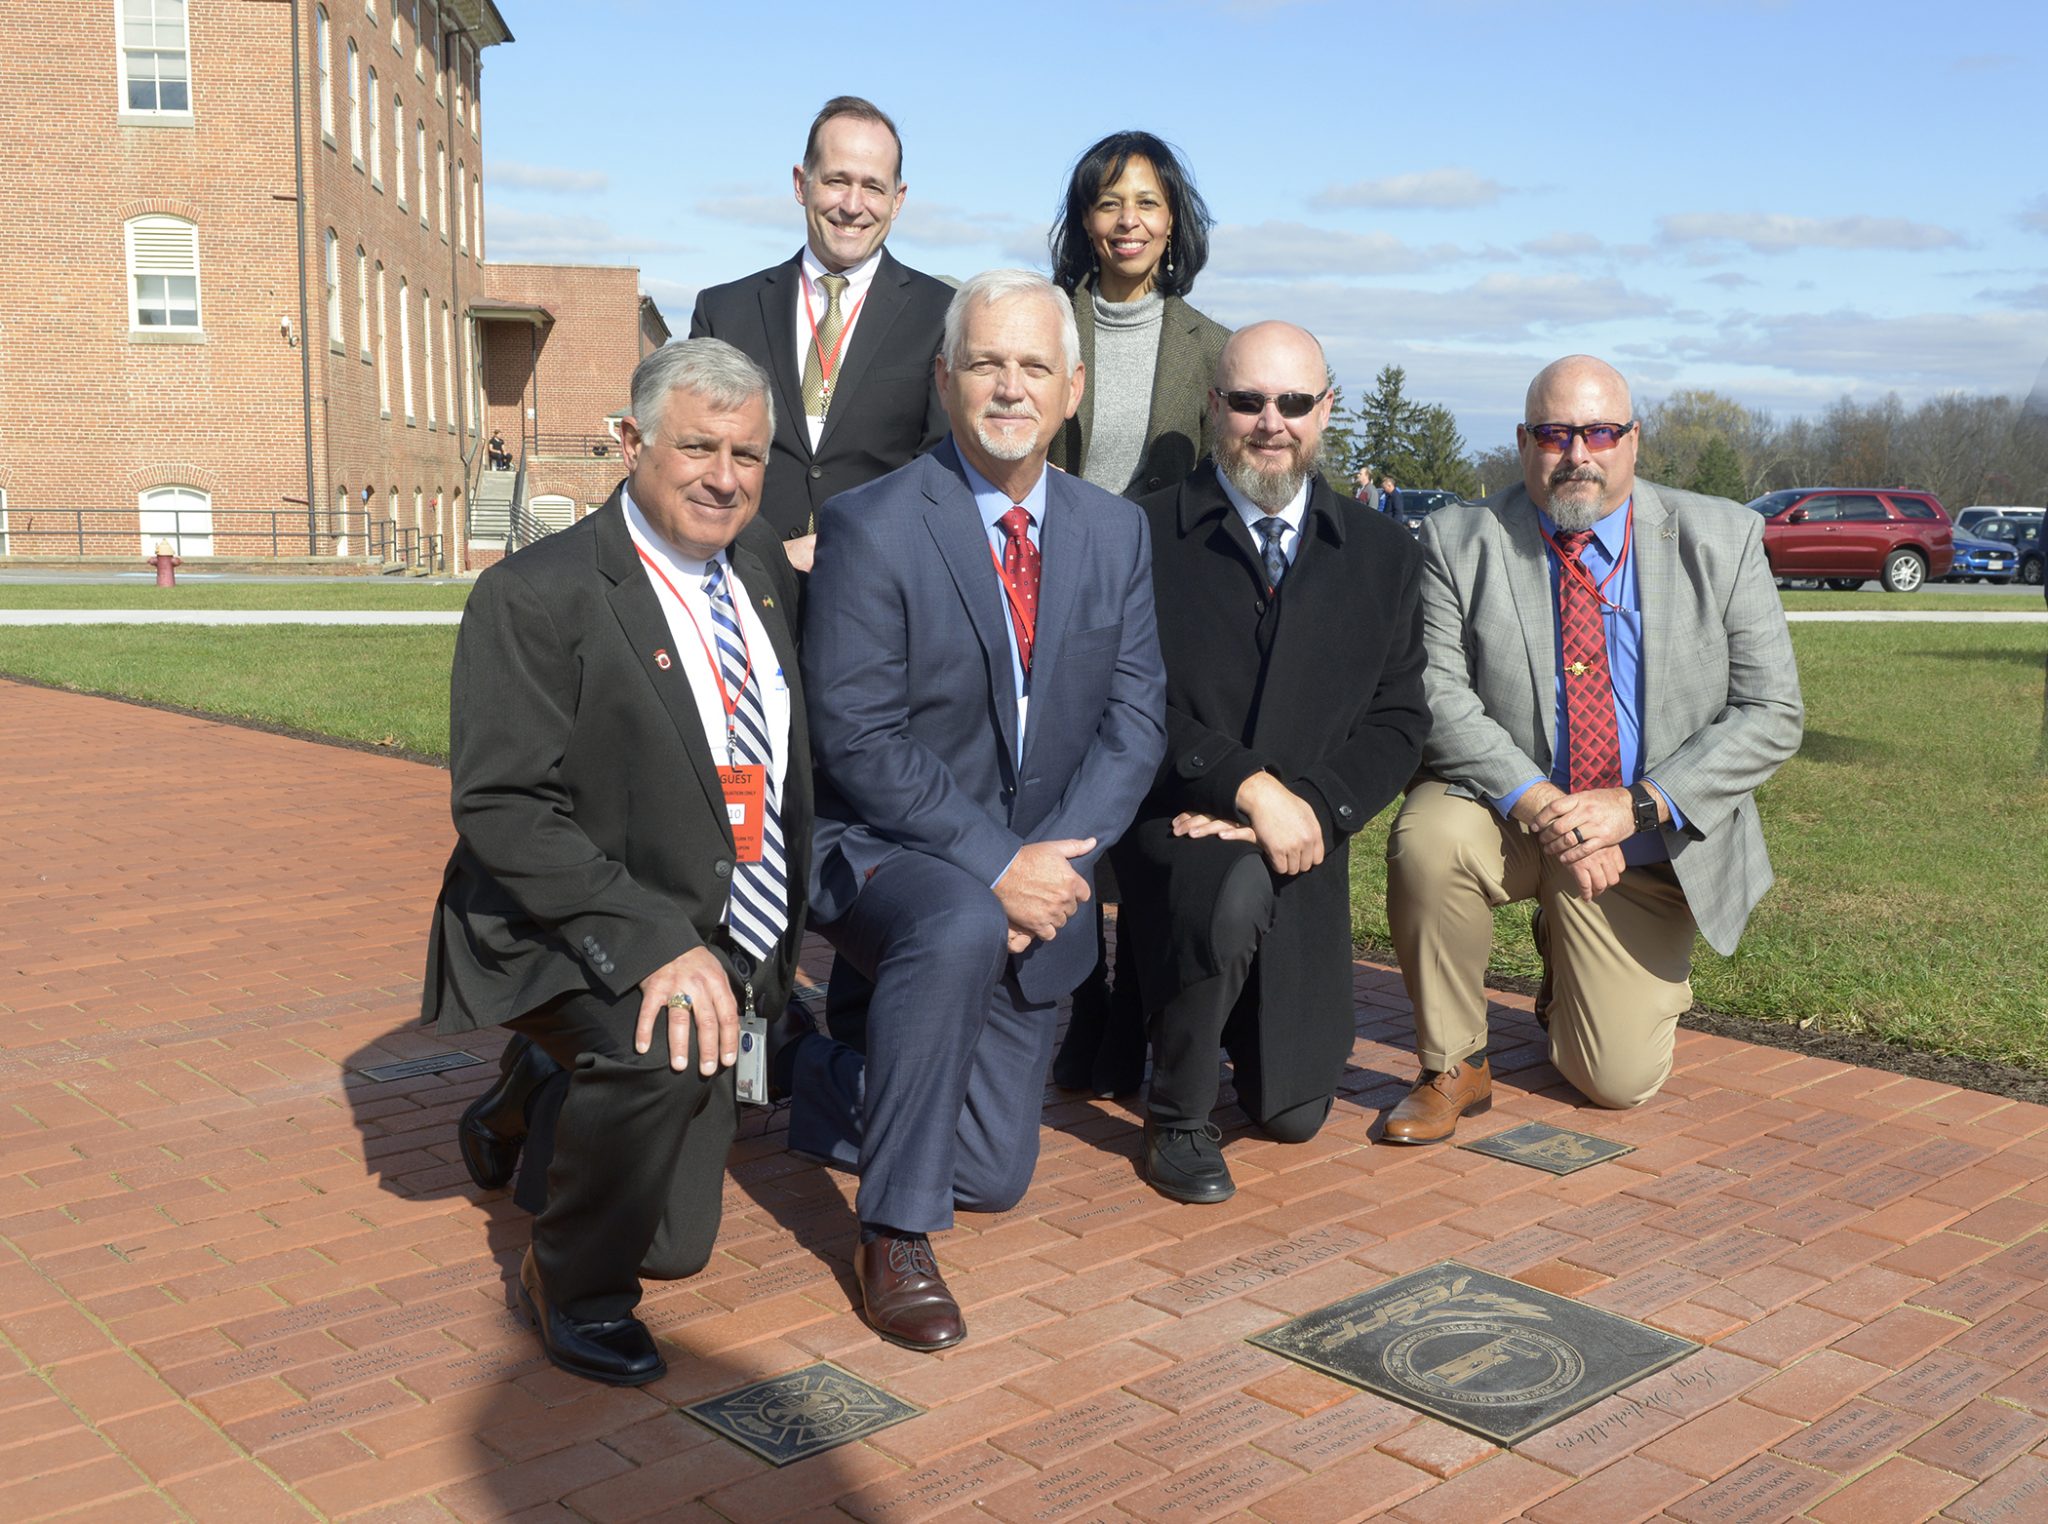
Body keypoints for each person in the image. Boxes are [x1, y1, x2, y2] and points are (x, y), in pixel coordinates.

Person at [776, 269, 1165, 1351]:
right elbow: (856, 734)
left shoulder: (1112, 533)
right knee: (950, 921)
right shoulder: (872, 524)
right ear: (944, 378)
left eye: (1032, 365)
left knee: (993, 1173)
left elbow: (1134, 724)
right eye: (985, 362)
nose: (1008, 386)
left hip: (1042, 877)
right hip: (887, 852)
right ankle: (892, 1233)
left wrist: (1050, 866)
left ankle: (809, 1070)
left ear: (1071, 388)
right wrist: (995, 866)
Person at [423, 338, 811, 1385]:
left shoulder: (760, 563)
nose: (723, 477)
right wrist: (652, 945)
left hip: (712, 898)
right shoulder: (536, 596)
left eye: (747, 454)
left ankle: (534, 1092)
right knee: (670, 1042)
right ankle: (571, 1285)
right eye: (696, 447)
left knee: (678, 1243)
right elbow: (502, 805)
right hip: (561, 918)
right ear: (632, 441)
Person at [1382, 355, 1802, 1142]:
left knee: (1612, 1082)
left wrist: (1632, 807)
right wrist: (1545, 809)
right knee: (1428, 841)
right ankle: (1454, 1063)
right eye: (1555, 433)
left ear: (1633, 441)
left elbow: (1772, 712)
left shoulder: (1725, 538)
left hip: (1642, 843)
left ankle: (1567, 960)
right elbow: (1438, 697)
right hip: (1509, 810)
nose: (1578, 453)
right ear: (1523, 442)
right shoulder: (1456, 539)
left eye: (1600, 431)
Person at [1111, 322, 1428, 1203]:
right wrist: (1242, 786)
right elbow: (1127, 700)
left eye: (1294, 402)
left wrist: (1311, 807)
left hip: (1304, 846)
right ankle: (1176, 1118)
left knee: (1291, 1115)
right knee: (1227, 884)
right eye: (1248, 401)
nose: (1271, 423)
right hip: (1174, 823)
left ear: (1327, 409)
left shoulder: (1383, 554)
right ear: (1215, 406)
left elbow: (1399, 720)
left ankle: (1179, 1013)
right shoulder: (1142, 536)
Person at [1044, 131, 1229, 1096]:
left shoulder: (1213, 348)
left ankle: (1139, 1002)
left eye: (1149, 203)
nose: (1129, 221)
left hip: (1156, 603)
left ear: (1173, 224)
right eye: (1111, 202)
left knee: (1147, 798)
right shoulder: (1047, 325)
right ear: (1084, 219)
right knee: (1065, 800)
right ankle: (1087, 999)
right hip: (1050, 595)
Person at [688, 95, 951, 573]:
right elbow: (697, 454)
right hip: (746, 584)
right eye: (836, 181)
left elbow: (942, 467)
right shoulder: (724, 312)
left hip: (883, 588)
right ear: (801, 184)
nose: (853, 206)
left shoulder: (944, 316)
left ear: (898, 199)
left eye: (873, 187)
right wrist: (765, 556)